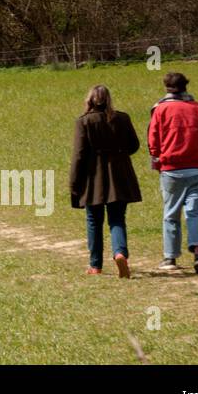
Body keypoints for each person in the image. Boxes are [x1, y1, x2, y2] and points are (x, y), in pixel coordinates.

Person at [69, 84, 142, 277]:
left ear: (90, 100)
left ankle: (95, 265)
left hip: (94, 178)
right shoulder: (122, 118)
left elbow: (79, 155)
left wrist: (74, 183)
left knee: (94, 220)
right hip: (119, 176)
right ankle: (120, 253)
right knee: (117, 219)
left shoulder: (84, 121)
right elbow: (134, 145)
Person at [148, 71, 198, 274]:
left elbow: (153, 140)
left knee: (171, 214)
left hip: (171, 169)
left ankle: (170, 257)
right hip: (197, 168)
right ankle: (197, 254)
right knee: (195, 214)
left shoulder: (161, 110)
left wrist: (157, 160)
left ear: (166, 87)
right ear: (186, 86)